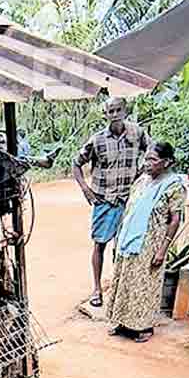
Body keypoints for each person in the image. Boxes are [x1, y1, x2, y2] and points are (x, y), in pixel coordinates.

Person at [73, 97, 152, 309]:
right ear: (105, 114)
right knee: (99, 243)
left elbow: (152, 152)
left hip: (129, 198)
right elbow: (76, 164)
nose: (115, 114)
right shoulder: (97, 140)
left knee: (124, 246)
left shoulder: (137, 133)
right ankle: (97, 289)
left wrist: (143, 172)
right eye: (111, 111)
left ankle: (119, 289)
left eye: (118, 110)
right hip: (104, 199)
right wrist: (86, 189)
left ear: (125, 111)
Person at [105, 141, 186, 343]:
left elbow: (175, 219)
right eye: (146, 158)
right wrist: (120, 236)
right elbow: (130, 210)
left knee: (144, 285)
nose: (147, 163)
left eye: (153, 159)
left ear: (167, 162)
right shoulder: (142, 181)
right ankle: (122, 321)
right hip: (129, 239)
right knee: (125, 280)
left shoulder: (174, 186)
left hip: (151, 242)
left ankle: (144, 327)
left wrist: (162, 249)